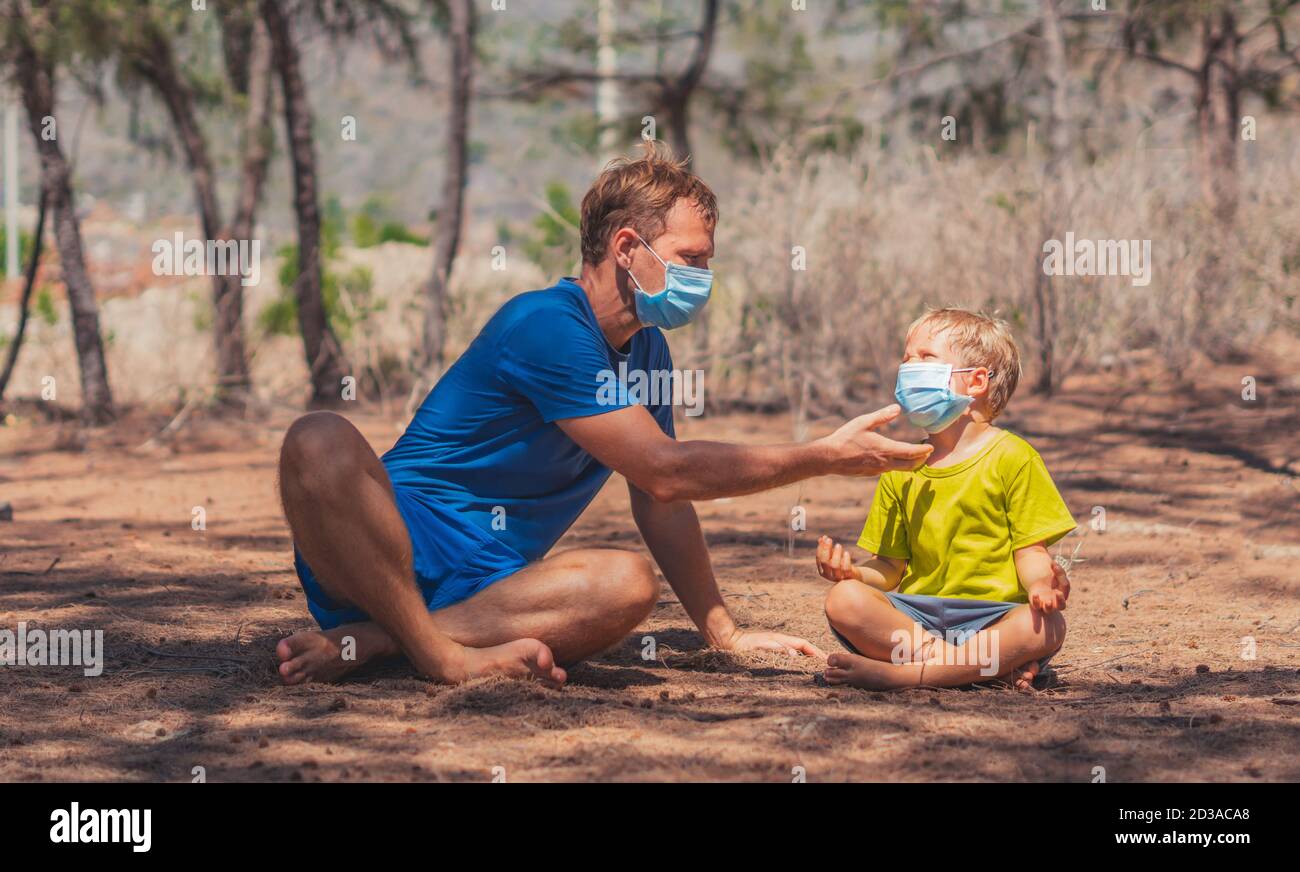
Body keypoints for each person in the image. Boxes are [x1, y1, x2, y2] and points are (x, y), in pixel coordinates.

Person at [275, 144, 932, 687]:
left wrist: (724, 632)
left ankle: (384, 640)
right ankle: (437, 654)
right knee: (317, 437)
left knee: (626, 583)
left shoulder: (648, 347)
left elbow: (659, 499)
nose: (705, 276)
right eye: (692, 259)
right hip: (377, 555)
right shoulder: (543, 324)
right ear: (627, 247)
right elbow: (667, 471)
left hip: (494, 594)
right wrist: (823, 455)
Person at [817, 307, 1075, 690]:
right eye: (906, 359)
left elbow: (1030, 552)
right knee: (844, 600)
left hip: (995, 619)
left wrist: (1041, 586)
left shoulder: (1015, 458)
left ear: (976, 382)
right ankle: (972, 669)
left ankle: (903, 676)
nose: (908, 368)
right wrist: (853, 574)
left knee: (1044, 626)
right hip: (917, 623)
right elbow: (890, 567)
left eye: (925, 358)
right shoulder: (901, 466)